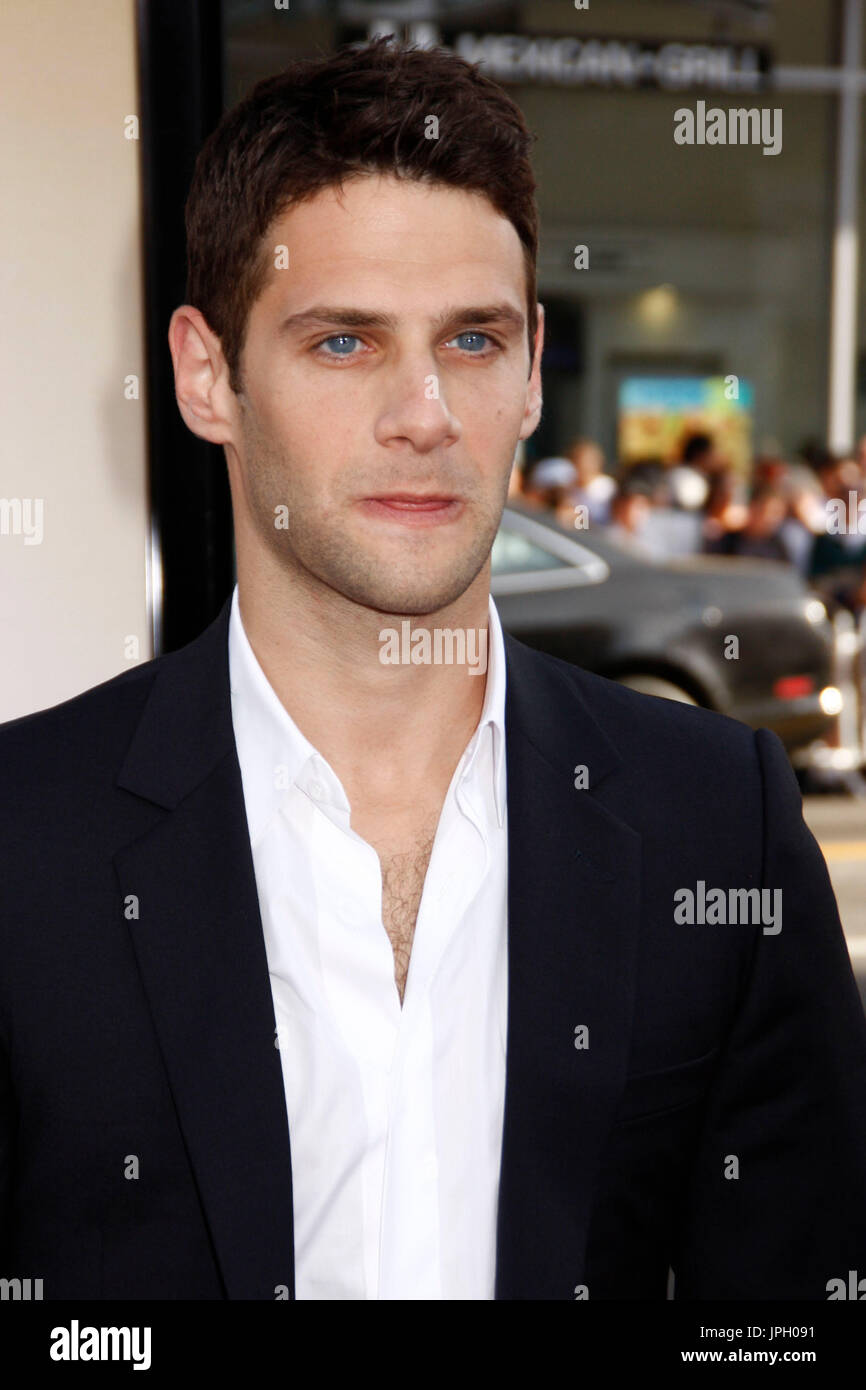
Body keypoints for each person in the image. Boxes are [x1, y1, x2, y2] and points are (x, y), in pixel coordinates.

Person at [1, 36, 866, 1303]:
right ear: (206, 377)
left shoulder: (713, 825)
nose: (423, 411)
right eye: (343, 344)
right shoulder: (26, 837)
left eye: (470, 340)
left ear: (527, 375)